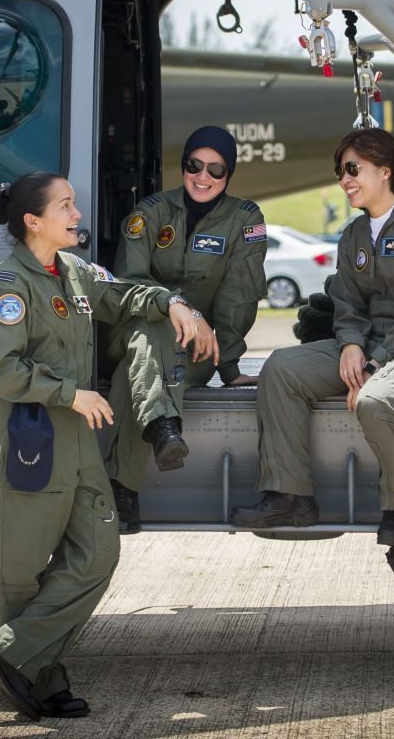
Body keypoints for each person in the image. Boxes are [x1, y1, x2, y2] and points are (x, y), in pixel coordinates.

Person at [0, 171, 212, 721]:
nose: (77, 213)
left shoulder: (74, 272)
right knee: (25, 569)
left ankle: (14, 654)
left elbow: (122, 295)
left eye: (74, 203)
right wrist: (67, 394)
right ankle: (43, 679)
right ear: (34, 221)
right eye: (66, 205)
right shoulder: (8, 286)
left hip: (79, 437)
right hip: (33, 435)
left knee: (99, 551)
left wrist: (172, 302)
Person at [230, 128, 394, 546]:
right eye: (340, 171)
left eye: (353, 168)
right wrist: (352, 343)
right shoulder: (354, 235)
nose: (344, 180)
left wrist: (376, 363)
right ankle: (290, 496)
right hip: (370, 342)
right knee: (281, 368)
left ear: (386, 171)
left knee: (379, 399)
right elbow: (347, 302)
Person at [104, 125, 268, 534]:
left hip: (194, 350)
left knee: (140, 367)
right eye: (195, 165)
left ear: (228, 174)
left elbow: (239, 298)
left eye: (217, 170)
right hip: (132, 330)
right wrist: (182, 308)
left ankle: (122, 489)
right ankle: (163, 425)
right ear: (184, 166)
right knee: (149, 334)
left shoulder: (245, 220)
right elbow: (129, 284)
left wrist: (227, 366)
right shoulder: (151, 212)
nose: (204, 177)